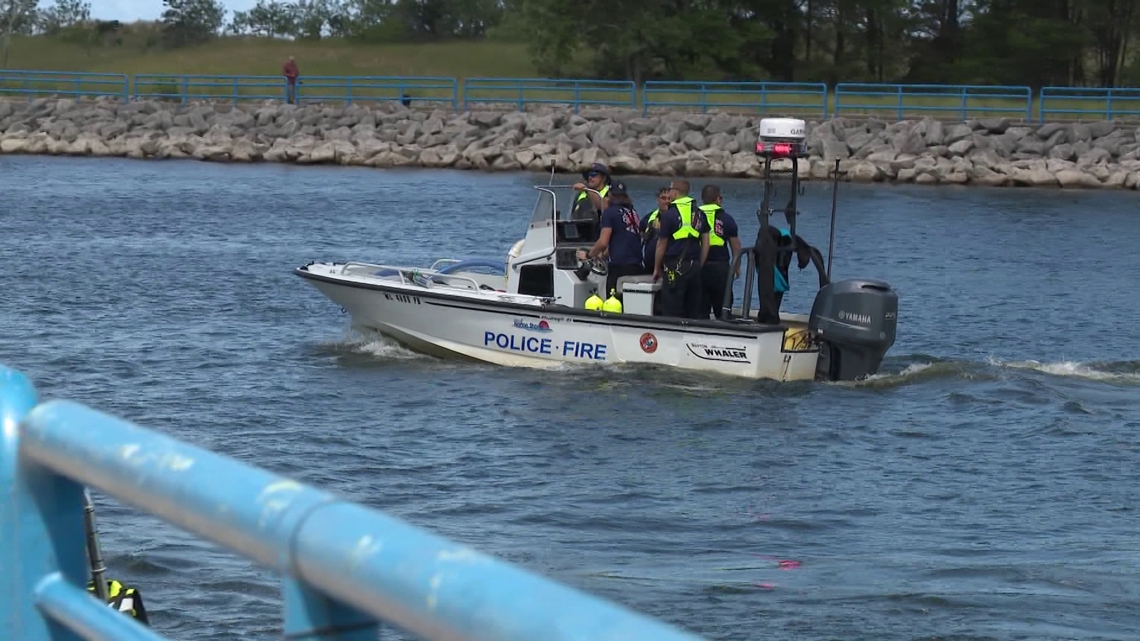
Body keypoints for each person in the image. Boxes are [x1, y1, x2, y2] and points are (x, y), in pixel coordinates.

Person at [652, 178, 709, 319]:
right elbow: (706, 242)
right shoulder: (699, 213)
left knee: (672, 310)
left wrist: (656, 268)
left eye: (670, 190)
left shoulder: (669, 214)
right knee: (693, 310)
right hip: (694, 266)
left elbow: (661, 244)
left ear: (675, 191)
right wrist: (699, 264)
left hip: (675, 266)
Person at [577, 182, 644, 300]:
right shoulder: (633, 213)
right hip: (636, 265)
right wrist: (603, 255)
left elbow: (603, 242)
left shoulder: (610, 213)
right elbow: (624, 237)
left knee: (612, 302)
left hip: (619, 267)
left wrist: (588, 255)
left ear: (610, 195)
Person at [697, 184, 741, 319]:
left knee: (700, 307)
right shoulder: (726, 218)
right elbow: (736, 246)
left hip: (699, 266)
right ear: (718, 199)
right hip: (720, 267)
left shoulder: (695, 216)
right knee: (723, 307)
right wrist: (737, 267)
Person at [639, 186, 672, 275]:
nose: (667, 201)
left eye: (669, 198)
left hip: (668, 265)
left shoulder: (676, 218)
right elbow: (640, 233)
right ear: (657, 199)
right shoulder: (649, 218)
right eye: (663, 198)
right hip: (649, 264)